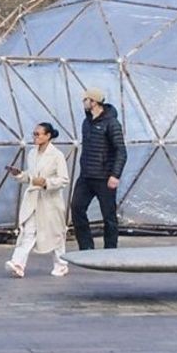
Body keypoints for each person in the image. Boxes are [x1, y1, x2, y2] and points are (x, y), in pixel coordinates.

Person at [4, 122, 71, 278]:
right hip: (33, 199)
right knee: (28, 231)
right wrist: (20, 175)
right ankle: (18, 264)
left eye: (38, 134)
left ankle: (61, 264)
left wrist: (46, 183)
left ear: (48, 136)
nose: (35, 137)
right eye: (34, 134)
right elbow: (31, 176)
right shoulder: (32, 154)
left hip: (50, 202)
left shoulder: (57, 155)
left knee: (55, 233)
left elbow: (64, 179)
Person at [71, 87, 127, 250]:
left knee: (109, 216)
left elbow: (121, 151)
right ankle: (86, 247)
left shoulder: (111, 123)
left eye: (85, 100)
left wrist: (115, 175)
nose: (83, 102)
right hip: (86, 176)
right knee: (77, 208)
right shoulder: (86, 122)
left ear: (94, 102)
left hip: (104, 177)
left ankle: (110, 249)